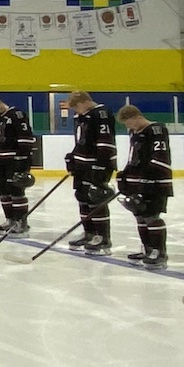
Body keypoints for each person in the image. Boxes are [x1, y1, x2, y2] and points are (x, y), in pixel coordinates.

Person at [114, 104, 172, 267]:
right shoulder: (135, 132)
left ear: (135, 117)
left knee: (151, 216)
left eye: (128, 123)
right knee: (139, 215)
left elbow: (160, 158)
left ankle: (159, 252)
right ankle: (148, 249)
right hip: (138, 182)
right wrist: (125, 175)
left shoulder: (156, 130)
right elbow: (134, 157)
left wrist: (148, 179)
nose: (128, 127)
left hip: (155, 182)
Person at [65, 90, 118, 254]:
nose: (76, 111)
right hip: (82, 164)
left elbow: (105, 142)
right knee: (82, 197)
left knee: (95, 197)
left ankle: (103, 237)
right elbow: (81, 141)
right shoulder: (82, 116)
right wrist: (73, 157)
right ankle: (89, 233)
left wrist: (101, 165)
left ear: (84, 102)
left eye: (77, 107)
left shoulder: (101, 114)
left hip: (97, 164)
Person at [0, 93, 37, 234]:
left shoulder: (16, 115)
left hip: (14, 161)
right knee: (2, 190)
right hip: (0, 161)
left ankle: (21, 222)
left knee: (16, 190)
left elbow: (26, 138)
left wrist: (21, 159)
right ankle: (10, 219)